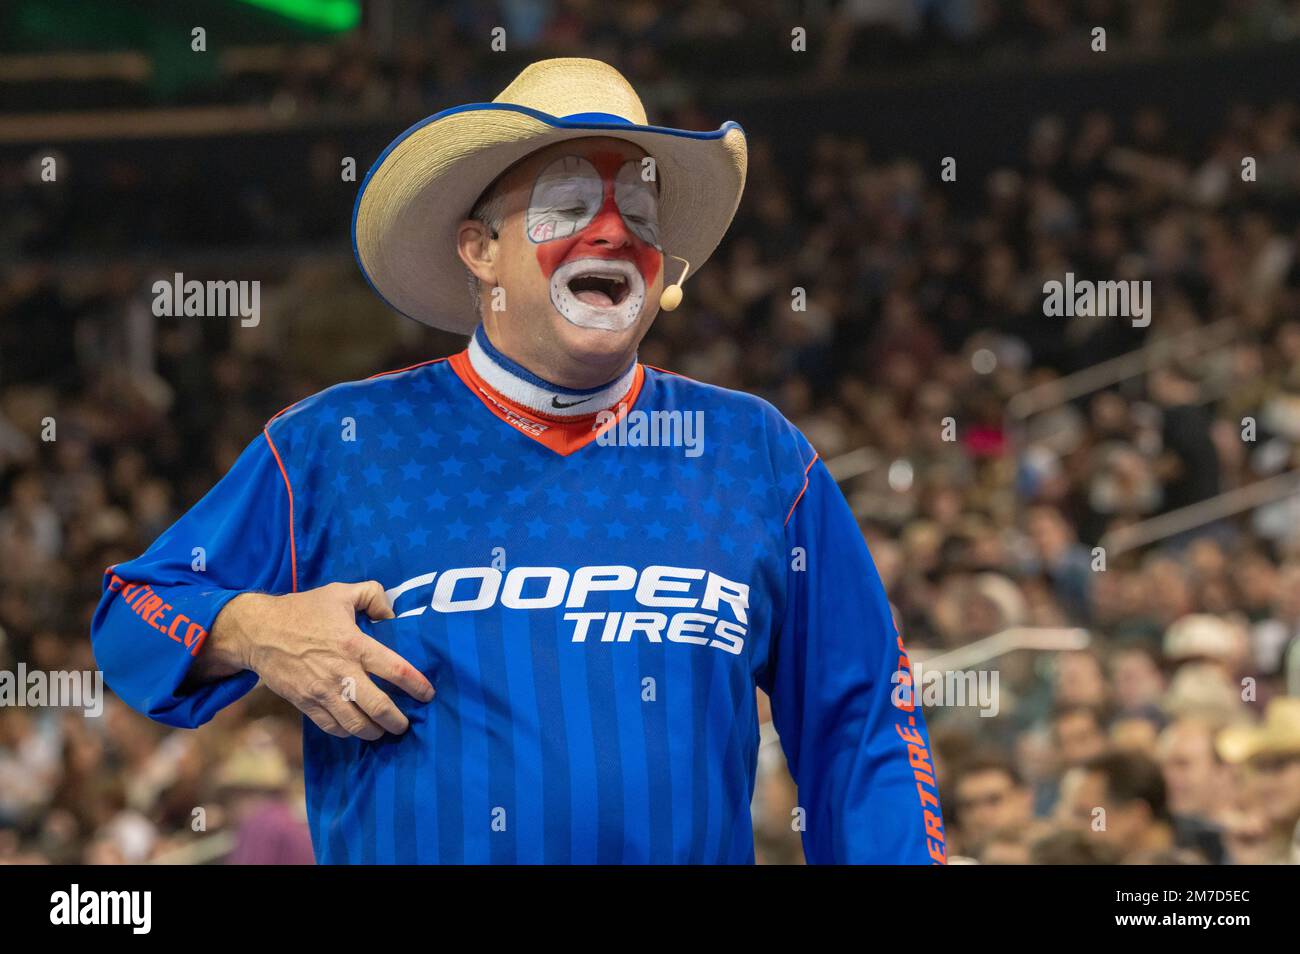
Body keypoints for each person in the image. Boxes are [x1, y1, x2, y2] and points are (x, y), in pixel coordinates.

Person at [90, 58, 944, 864]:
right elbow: (132, 615)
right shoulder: (337, 443)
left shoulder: (755, 454)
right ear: (479, 249)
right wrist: (255, 630)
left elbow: (862, 724)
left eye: (640, 219)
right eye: (567, 208)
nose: (612, 233)